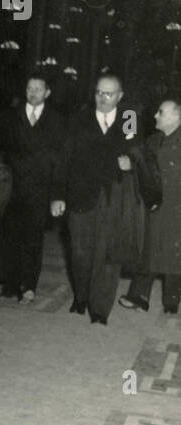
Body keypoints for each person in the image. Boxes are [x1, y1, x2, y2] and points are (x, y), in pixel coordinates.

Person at [51, 73, 142, 325]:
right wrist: (58, 195)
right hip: (80, 195)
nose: (103, 98)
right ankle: (81, 297)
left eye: (109, 94)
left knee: (108, 254)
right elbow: (63, 160)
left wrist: (130, 163)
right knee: (80, 253)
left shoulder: (129, 119)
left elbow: (137, 152)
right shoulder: (79, 120)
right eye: (99, 93)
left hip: (113, 196)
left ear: (120, 96)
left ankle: (100, 309)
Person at [0, 73, 63, 303]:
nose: (33, 93)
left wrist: (56, 195)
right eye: (29, 88)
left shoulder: (56, 120)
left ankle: (29, 285)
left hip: (39, 189)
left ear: (47, 93)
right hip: (13, 186)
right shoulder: (9, 117)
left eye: (38, 89)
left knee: (34, 239)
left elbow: (59, 160)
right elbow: (2, 150)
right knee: (11, 235)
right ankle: (11, 282)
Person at [121, 99, 181, 313]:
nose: (155, 115)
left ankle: (171, 301)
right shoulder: (154, 140)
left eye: (161, 112)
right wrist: (130, 165)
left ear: (176, 117)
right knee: (149, 249)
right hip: (155, 205)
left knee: (175, 254)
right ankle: (139, 296)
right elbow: (141, 163)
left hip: (177, 207)